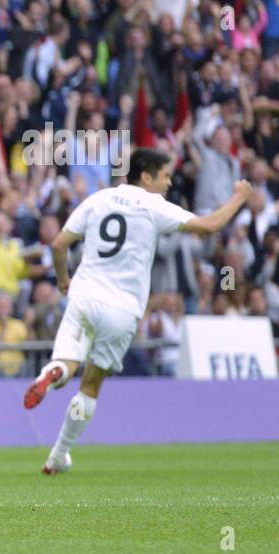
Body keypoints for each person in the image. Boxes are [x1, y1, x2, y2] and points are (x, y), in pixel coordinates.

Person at [24, 149, 252, 473]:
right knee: (90, 386)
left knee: (67, 362)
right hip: (121, 308)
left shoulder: (98, 199)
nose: (170, 182)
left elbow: (59, 244)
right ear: (145, 177)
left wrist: (63, 280)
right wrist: (240, 196)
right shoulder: (154, 206)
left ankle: (53, 373)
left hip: (84, 295)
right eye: (165, 176)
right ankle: (59, 453)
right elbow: (209, 225)